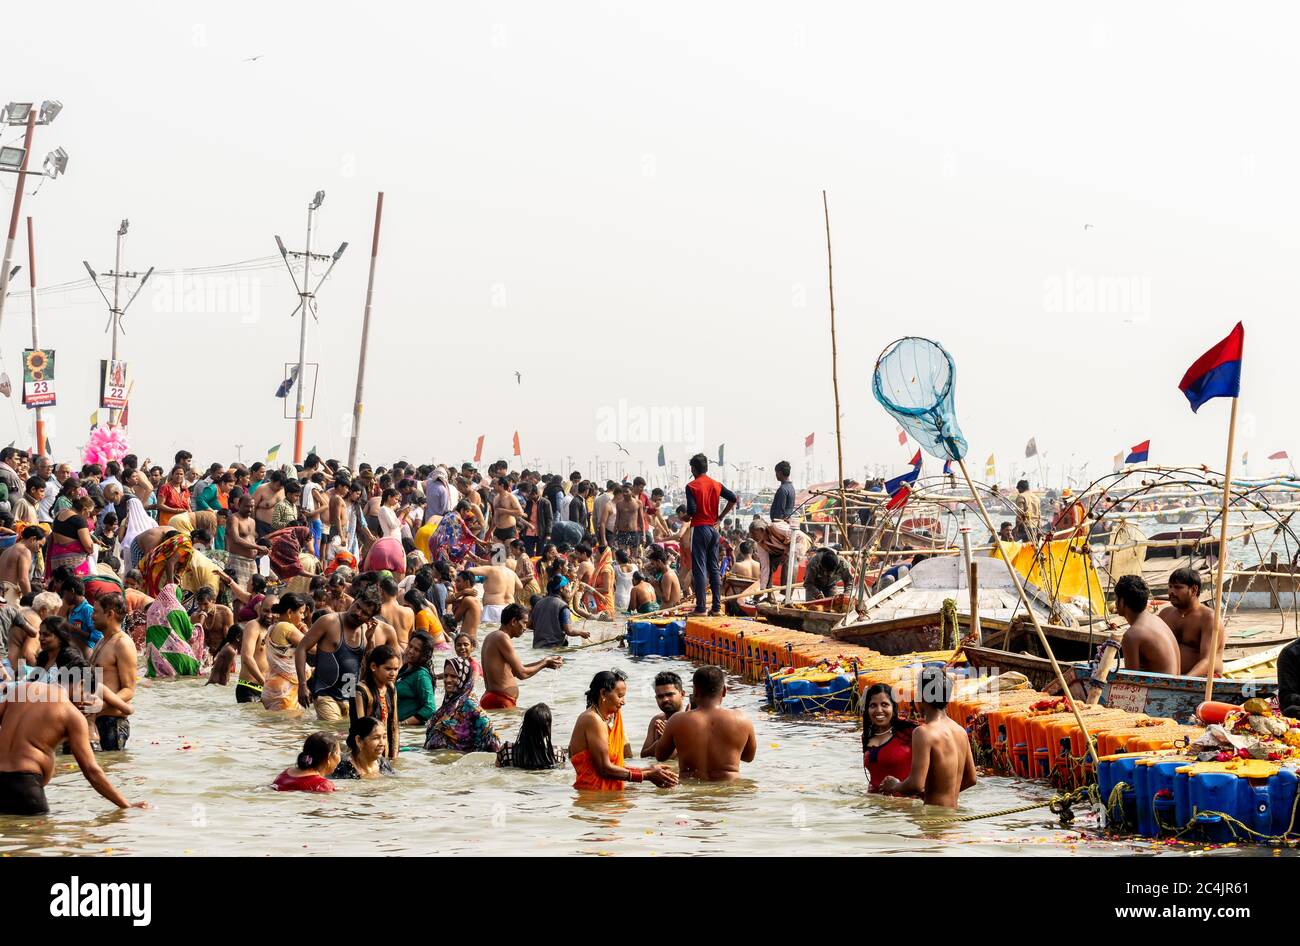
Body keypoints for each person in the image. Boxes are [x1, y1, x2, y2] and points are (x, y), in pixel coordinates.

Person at [0, 677, 147, 813]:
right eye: (88, 694)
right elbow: (91, 771)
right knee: (40, 839)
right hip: (27, 787)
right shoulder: (71, 714)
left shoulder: (22, 690)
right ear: (81, 683)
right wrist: (126, 805)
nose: (88, 701)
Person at [878, 667, 977, 808]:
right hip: (954, 822)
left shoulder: (923, 733)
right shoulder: (960, 731)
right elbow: (971, 779)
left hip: (934, 824)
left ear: (922, 697)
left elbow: (916, 784)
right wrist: (939, 793)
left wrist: (895, 785)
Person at [570, 669, 677, 790]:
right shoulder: (593, 719)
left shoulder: (601, 718)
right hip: (594, 797)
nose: (623, 702)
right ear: (603, 694)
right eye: (620, 696)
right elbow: (604, 769)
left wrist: (648, 770)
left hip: (603, 794)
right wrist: (646, 775)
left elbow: (613, 767)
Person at [296, 586, 382, 721]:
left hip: (351, 697)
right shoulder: (329, 622)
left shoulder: (367, 632)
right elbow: (301, 648)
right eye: (358, 606)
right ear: (353, 601)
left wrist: (370, 639)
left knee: (347, 737)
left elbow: (371, 665)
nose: (358, 613)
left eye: (365, 613)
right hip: (325, 695)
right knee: (332, 730)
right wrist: (302, 685)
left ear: (369, 618)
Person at [654, 665, 755, 780]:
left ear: (695, 691)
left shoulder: (677, 720)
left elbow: (660, 756)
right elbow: (748, 757)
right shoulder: (742, 719)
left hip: (690, 791)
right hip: (729, 792)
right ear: (725, 691)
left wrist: (666, 737)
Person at [480, 603, 563, 709]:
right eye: (524, 623)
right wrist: (545, 663)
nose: (525, 627)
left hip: (492, 698)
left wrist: (545, 661)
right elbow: (522, 674)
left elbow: (514, 671)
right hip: (501, 700)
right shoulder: (502, 637)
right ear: (514, 621)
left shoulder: (492, 636)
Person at [88, 593, 138, 751]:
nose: (92, 616)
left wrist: (101, 705)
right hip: (96, 721)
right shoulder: (102, 641)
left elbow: (129, 690)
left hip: (112, 722)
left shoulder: (123, 643)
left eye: (96, 611)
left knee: (112, 770)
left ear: (110, 614)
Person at [424, 655, 501, 753]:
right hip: (438, 763)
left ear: (463, 678)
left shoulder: (470, 705)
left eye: (453, 676)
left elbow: (491, 738)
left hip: (456, 762)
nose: (447, 680)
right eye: (446, 675)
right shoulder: (449, 704)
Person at [1158, 567, 1223, 677]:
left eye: (1177, 587)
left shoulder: (1209, 618)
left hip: (1202, 678)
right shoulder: (1165, 614)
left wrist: (1185, 680)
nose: (1171, 592)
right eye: (1170, 587)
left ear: (1193, 590)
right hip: (1170, 677)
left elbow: (1208, 660)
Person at [1115, 575, 1180, 675]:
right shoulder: (1157, 620)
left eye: (1116, 599)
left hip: (1159, 689)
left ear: (1122, 601)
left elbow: (1130, 680)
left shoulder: (1132, 635)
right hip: (1174, 685)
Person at [861, 683, 915, 792]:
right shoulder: (867, 735)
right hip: (872, 805)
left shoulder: (910, 732)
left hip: (904, 805)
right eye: (873, 705)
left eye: (885, 704)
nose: (879, 710)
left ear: (894, 707)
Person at [350, 644, 401, 761]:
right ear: (373, 667)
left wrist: (394, 756)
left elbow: (394, 725)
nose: (393, 673)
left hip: (385, 751)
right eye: (388, 669)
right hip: (364, 754)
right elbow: (360, 728)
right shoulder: (360, 690)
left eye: (396, 669)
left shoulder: (391, 688)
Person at [262, 593, 310, 711]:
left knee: (278, 727)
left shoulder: (274, 627)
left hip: (273, 688)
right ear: (289, 612)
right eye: (301, 612)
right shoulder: (286, 627)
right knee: (290, 727)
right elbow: (312, 647)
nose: (303, 617)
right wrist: (305, 629)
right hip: (284, 690)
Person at [496, 703, 567, 769]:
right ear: (546, 730)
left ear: (524, 726)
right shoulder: (557, 753)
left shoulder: (507, 750)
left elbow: (497, 770)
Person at [531, 573, 591, 648]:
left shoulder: (538, 604)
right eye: (567, 587)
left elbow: (530, 625)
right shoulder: (562, 606)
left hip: (537, 648)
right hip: (555, 649)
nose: (569, 590)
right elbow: (569, 631)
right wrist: (582, 633)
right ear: (561, 589)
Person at [640, 670, 688, 758]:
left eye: (670, 694)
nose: (665, 699)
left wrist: (668, 740)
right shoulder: (657, 720)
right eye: (660, 696)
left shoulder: (690, 720)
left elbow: (691, 757)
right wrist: (660, 742)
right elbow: (643, 756)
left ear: (682, 694)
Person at [272, 732, 340, 793]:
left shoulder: (284, 774)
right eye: (338, 753)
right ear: (328, 756)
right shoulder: (323, 785)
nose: (340, 758)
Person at [332, 715, 396, 779]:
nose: (382, 743)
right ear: (359, 740)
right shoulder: (343, 768)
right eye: (376, 738)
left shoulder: (383, 763)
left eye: (384, 737)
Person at [396, 630, 437, 725]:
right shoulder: (405, 669)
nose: (411, 651)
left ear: (424, 655)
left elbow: (429, 708)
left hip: (408, 733)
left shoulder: (421, 675)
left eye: (416, 650)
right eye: (410, 646)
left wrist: (404, 724)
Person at [0, 526, 44, 600]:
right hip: (9, 595)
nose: (39, 550)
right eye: (39, 545)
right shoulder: (24, 551)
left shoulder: (6, 551)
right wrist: (30, 600)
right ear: (33, 539)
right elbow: (23, 579)